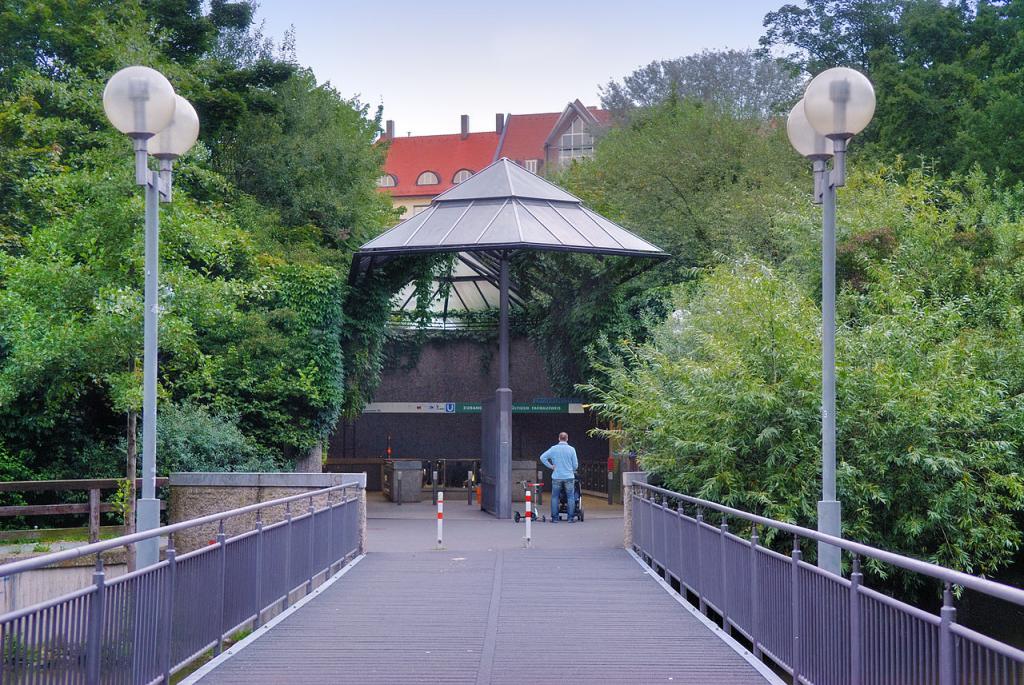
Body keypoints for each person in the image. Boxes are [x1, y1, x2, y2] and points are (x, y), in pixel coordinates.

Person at [539, 432, 578, 522]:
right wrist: (571, 469)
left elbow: (542, 457)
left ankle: (555, 518)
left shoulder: (553, 449)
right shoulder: (572, 449)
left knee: (555, 497)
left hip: (556, 477)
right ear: (567, 439)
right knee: (570, 497)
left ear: (559, 438)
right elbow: (575, 465)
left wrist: (551, 466)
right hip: (569, 477)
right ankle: (570, 518)